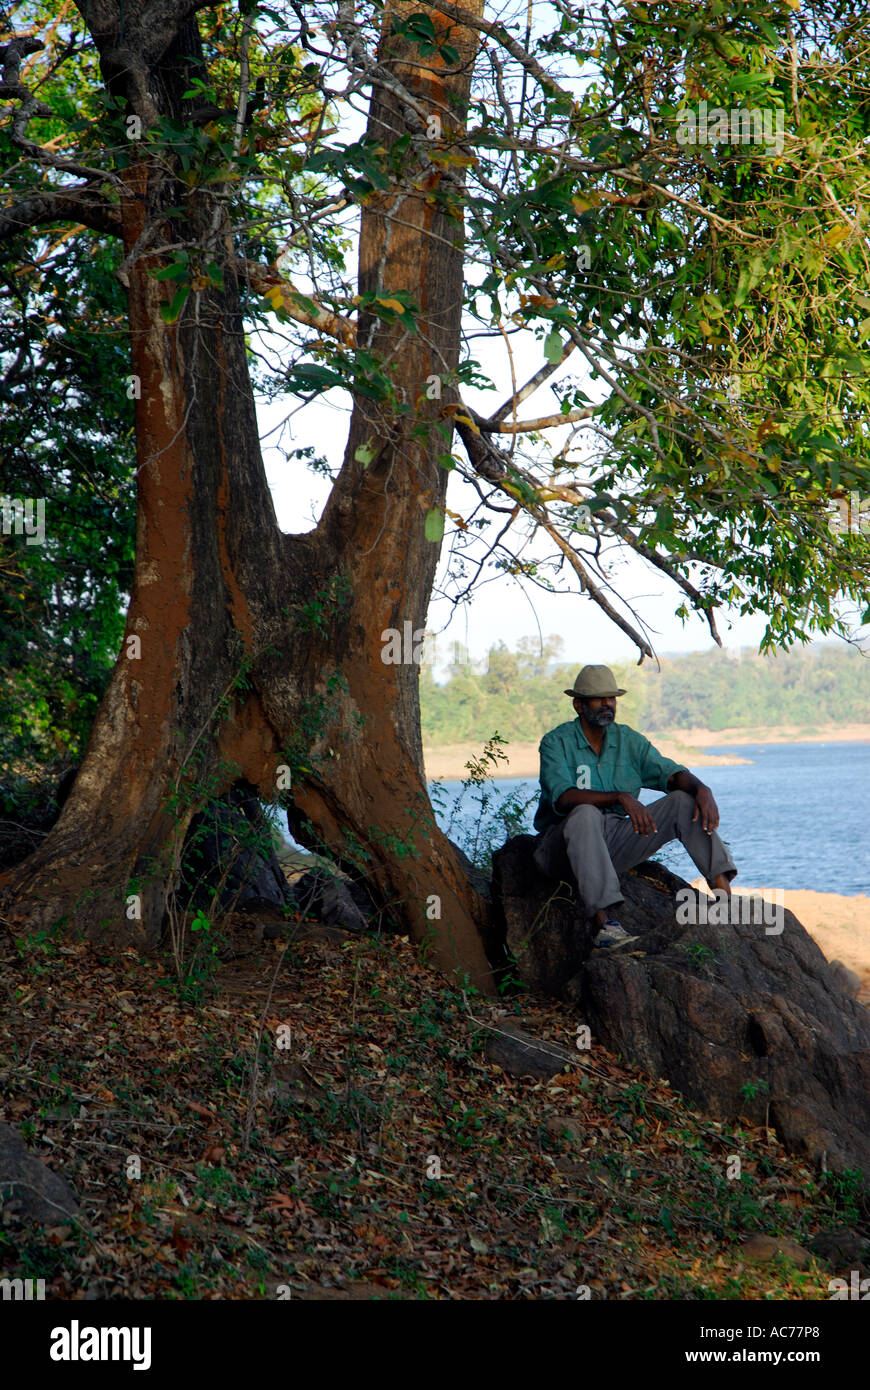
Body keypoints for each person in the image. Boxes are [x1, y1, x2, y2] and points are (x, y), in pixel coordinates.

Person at [533, 664, 737, 950]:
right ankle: (604, 925)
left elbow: (671, 773)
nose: (607, 704)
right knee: (584, 813)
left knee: (682, 800)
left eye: (612, 698)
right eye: (599, 698)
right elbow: (563, 797)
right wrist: (620, 797)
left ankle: (724, 896)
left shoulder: (628, 740)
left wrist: (702, 788)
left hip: (613, 843)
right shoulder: (557, 742)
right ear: (578, 704)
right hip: (562, 847)